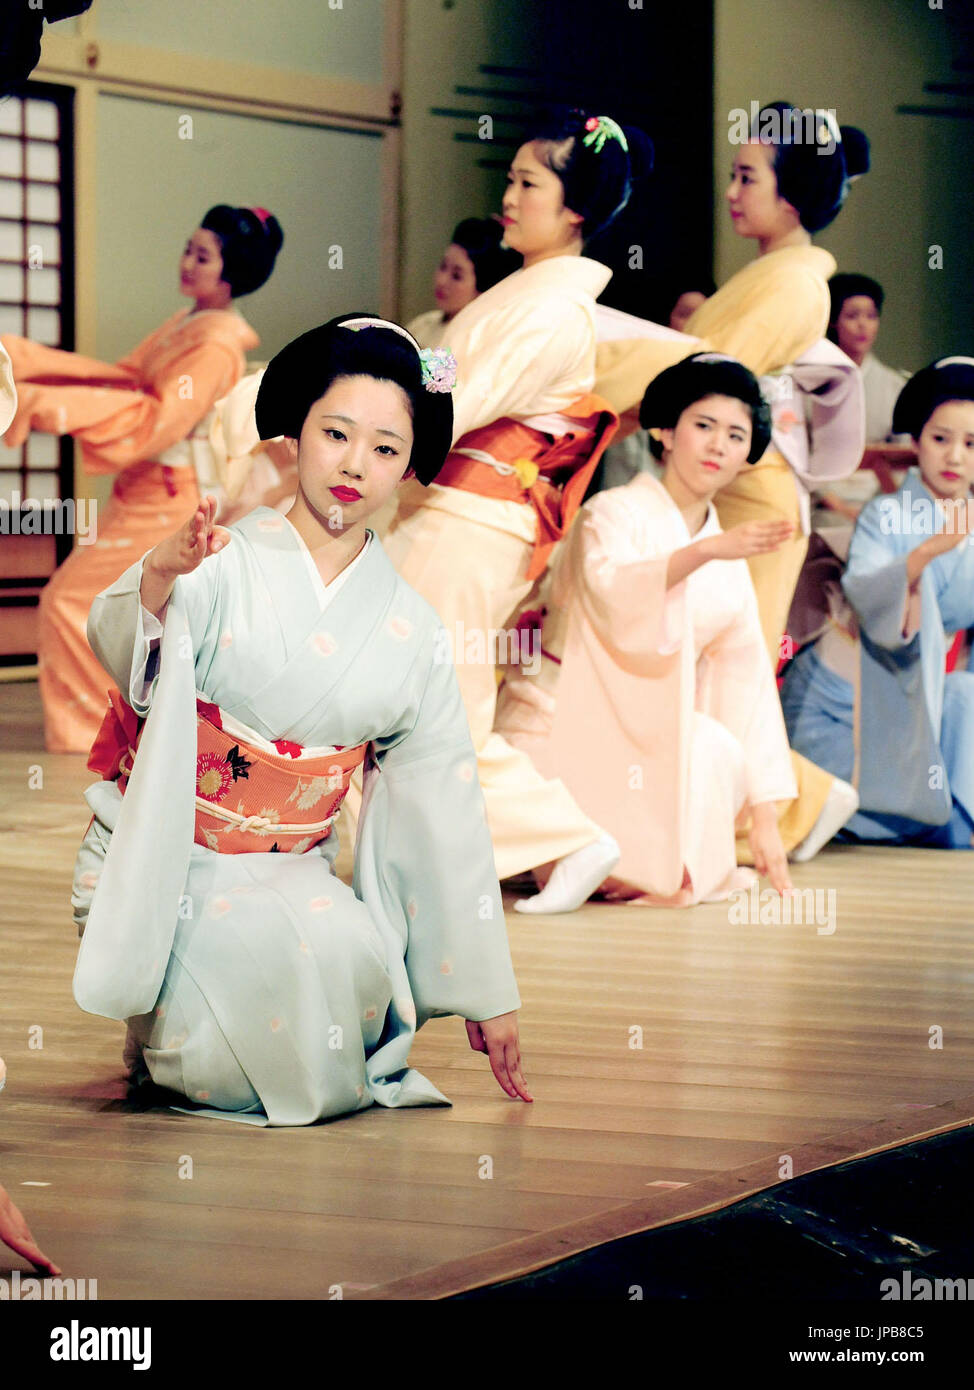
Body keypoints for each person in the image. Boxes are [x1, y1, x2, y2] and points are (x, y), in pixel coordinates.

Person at [70, 315, 531, 1125]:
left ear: (410, 465)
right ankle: (160, 1035)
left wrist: (488, 991)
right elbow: (126, 656)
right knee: (237, 1027)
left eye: (387, 449)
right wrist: (158, 579)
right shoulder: (222, 563)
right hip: (174, 860)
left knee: (350, 963)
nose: (356, 465)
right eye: (337, 434)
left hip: (295, 868)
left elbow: (442, 808)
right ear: (298, 432)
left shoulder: (411, 626)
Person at [379, 110, 654, 909]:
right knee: (425, 698)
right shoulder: (523, 296)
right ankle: (518, 844)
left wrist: (365, 417)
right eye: (509, 179)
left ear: (574, 209)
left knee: (437, 705)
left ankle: (566, 835)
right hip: (454, 518)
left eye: (527, 182)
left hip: (470, 522)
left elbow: (452, 403)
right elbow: (439, 379)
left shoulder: (547, 310)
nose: (508, 195)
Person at [496, 354, 804, 907]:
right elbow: (614, 596)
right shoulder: (610, 513)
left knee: (715, 746)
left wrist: (763, 820)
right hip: (565, 711)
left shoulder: (729, 555)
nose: (717, 446)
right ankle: (592, 852)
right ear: (664, 431)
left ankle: (650, 865)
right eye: (703, 426)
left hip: (658, 726)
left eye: (736, 435)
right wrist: (704, 551)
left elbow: (747, 684)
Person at [2, 204, 282, 752]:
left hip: (169, 496)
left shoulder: (216, 344)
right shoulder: (189, 324)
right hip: (148, 491)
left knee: (72, 601)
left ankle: (97, 732)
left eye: (202, 256)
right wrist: (27, 367)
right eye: (188, 248)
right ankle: (123, 728)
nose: (186, 262)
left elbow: (157, 420)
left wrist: (46, 404)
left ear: (232, 269)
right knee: (112, 604)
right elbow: (127, 381)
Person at [781, 358, 974, 848]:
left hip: (924, 695)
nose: (955, 457)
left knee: (966, 696)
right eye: (940, 439)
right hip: (846, 700)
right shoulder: (888, 513)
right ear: (915, 441)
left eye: (972, 444)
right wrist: (931, 550)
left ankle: (952, 817)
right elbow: (869, 592)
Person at [406, 217, 520, 349]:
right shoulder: (422, 325)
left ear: (484, 287)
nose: (442, 280)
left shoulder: (480, 340)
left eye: (457, 276)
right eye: (443, 266)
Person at [827, 273, 910, 443]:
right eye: (852, 316)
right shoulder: (809, 380)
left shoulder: (895, 386)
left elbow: (903, 450)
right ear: (832, 321)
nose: (863, 325)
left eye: (871, 316)